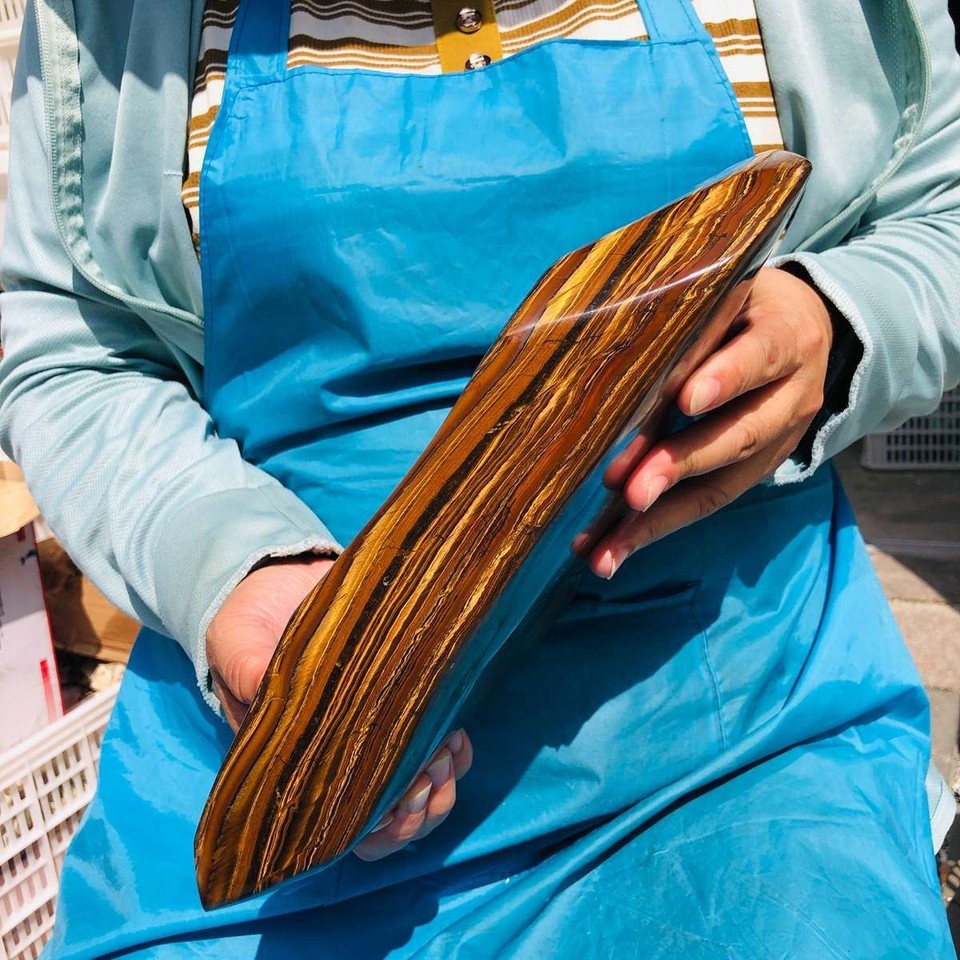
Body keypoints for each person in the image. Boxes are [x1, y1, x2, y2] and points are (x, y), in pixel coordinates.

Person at [1, 0, 959, 956]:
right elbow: (67, 343)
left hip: (747, 743)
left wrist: (839, 325)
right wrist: (227, 568)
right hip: (285, 770)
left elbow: (941, 211)